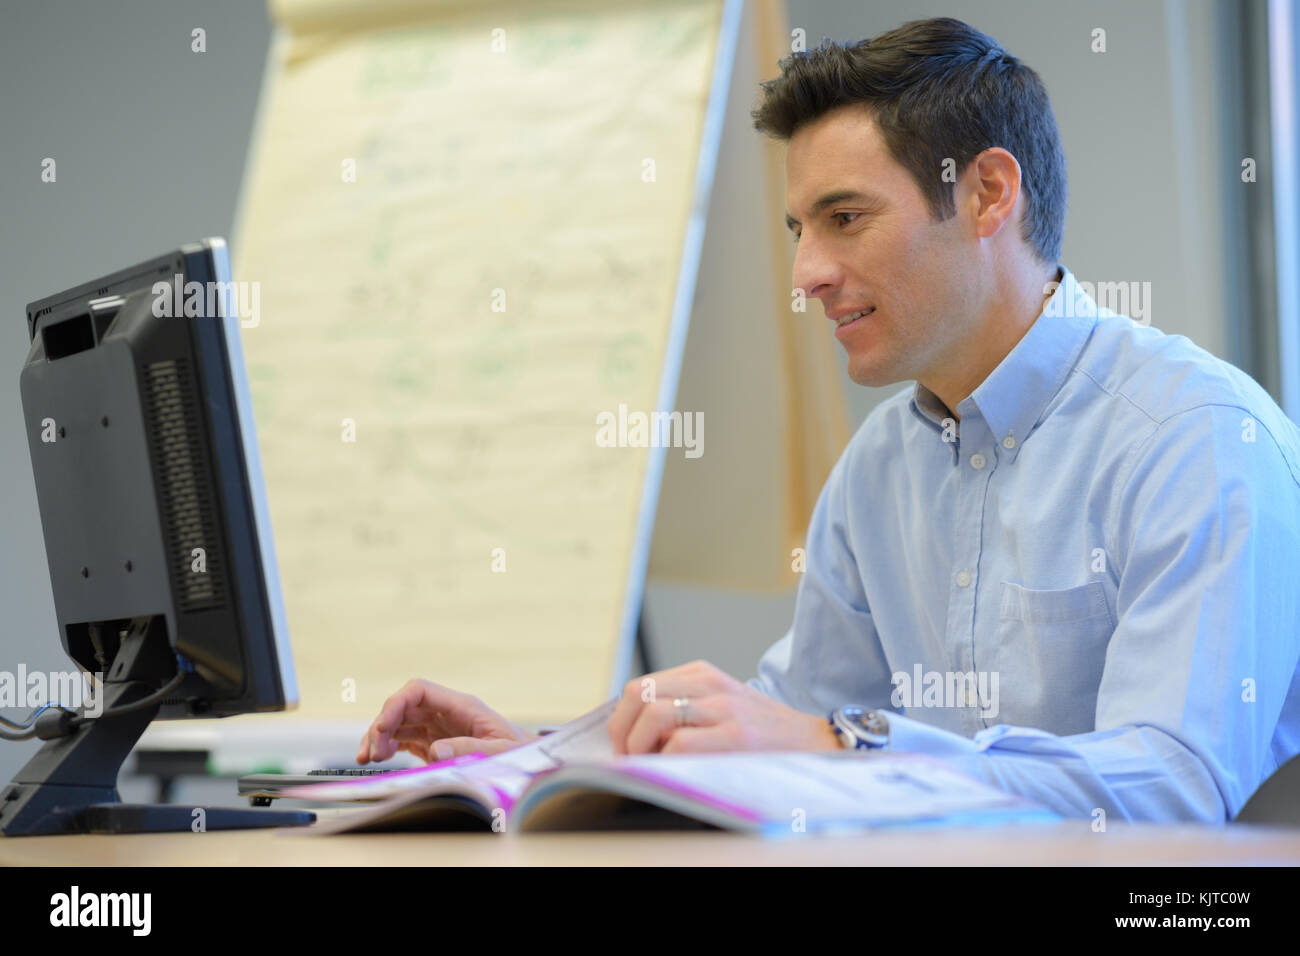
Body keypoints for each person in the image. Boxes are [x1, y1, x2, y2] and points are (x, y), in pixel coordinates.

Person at [356, 17, 1300, 823]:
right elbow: (786, 719)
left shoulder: (1199, 439)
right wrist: (543, 761)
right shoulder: (880, 464)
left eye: (844, 218)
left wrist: (845, 746)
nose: (806, 272)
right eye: (799, 230)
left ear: (987, 194)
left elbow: (1175, 788)